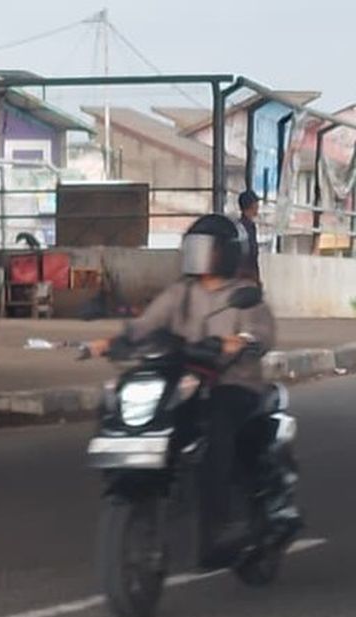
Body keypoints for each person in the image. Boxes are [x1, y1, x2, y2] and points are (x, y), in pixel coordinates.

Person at [87, 214, 275, 550]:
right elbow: (144, 326)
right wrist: (110, 342)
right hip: (184, 376)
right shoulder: (180, 293)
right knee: (118, 397)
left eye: (208, 248)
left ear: (227, 253)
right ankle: (132, 479)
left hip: (231, 382)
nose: (199, 255)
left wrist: (239, 342)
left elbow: (259, 333)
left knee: (217, 431)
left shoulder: (245, 295)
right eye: (195, 247)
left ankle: (220, 523)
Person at [237, 190, 261, 282]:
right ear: (252, 205)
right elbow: (251, 253)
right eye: (256, 203)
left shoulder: (249, 226)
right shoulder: (243, 227)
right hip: (246, 275)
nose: (258, 206)